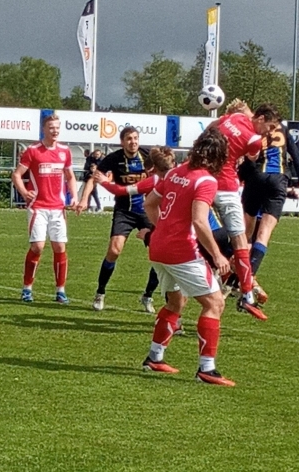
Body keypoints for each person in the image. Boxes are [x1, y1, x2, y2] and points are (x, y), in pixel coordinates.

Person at [140, 127, 236, 386]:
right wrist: (218, 255)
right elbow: (200, 221)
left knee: (176, 303)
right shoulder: (205, 180)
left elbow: (149, 203)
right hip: (181, 250)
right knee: (215, 303)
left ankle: (154, 358)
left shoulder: (174, 172)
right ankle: (207, 369)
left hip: (158, 247)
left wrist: (162, 229)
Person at [206, 101, 280, 320]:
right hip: (227, 187)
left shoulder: (232, 118)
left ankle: (219, 270)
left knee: (197, 230)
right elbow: (252, 157)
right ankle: (246, 294)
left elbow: (212, 127)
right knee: (240, 242)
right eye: (270, 127)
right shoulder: (255, 140)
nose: (269, 133)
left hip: (205, 182)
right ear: (261, 119)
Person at [93, 146, 178, 313]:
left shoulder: (165, 179)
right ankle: (100, 292)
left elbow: (122, 190)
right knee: (117, 251)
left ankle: (152, 298)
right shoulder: (164, 179)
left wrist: (103, 182)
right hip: (138, 216)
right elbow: (122, 191)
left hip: (167, 224)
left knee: (163, 258)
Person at [75, 127, 150, 312]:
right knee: (114, 251)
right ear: (122, 142)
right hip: (124, 211)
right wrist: (84, 199)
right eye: (129, 139)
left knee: (160, 253)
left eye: (135, 138)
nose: (133, 142)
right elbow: (94, 178)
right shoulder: (114, 158)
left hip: (147, 211)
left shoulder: (148, 155)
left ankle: (148, 295)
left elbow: (166, 170)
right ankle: (100, 293)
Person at [238, 122, 299, 307]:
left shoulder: (252, 130)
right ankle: (247, 280)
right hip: (275, 182)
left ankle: (246, 280)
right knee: (259, 235)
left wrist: (241, 175)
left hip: (254, 182)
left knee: (247, 235)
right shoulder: (282, 130)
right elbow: (295, 154)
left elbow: (247, 159)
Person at [13, 115, 77, 304]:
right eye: (51, 127)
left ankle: (60, 290)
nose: (55, 131)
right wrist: (25, 193)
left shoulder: (65, 151)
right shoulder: (33, 151)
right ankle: (27, 288)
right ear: (44, 129)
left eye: (57, 127)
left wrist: (73, 196)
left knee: (59, 247)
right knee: (38, 247)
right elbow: (16, 175)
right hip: (38, 207)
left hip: (58, 208)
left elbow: (70, 176)